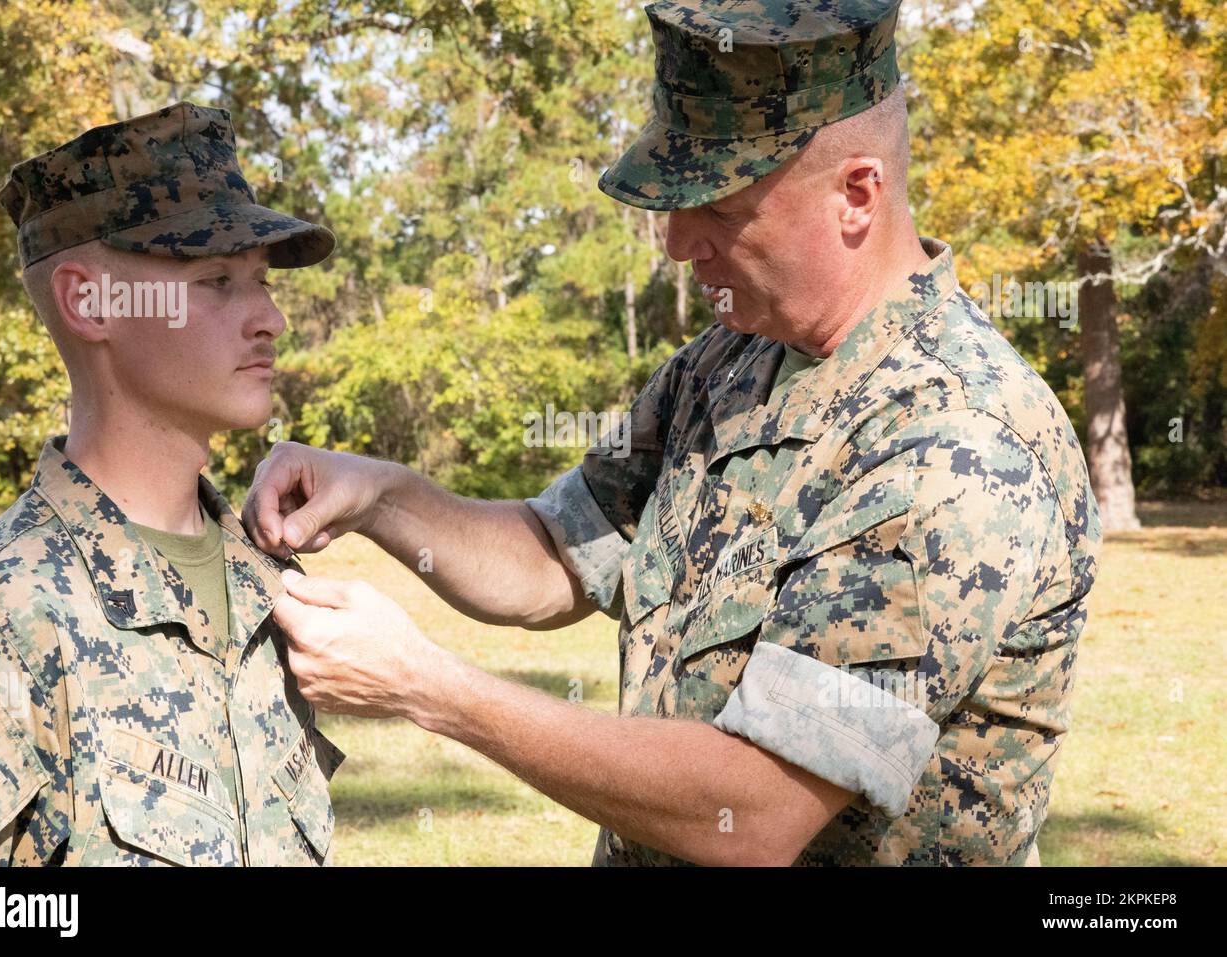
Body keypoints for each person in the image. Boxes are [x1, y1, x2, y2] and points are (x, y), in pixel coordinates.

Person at [250, 0, 1102, 866]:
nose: (677, 242)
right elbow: (558, 556)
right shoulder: (727, 364)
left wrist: (429, 688)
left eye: (719, 209)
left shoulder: (955, 441)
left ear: (856, 195)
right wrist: (384, 497)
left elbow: (756, 810)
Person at [0, 102, 345, 866]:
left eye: (260, 279)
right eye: (217, 279)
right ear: (89, 303)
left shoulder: (272, 585)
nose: (271, 318)